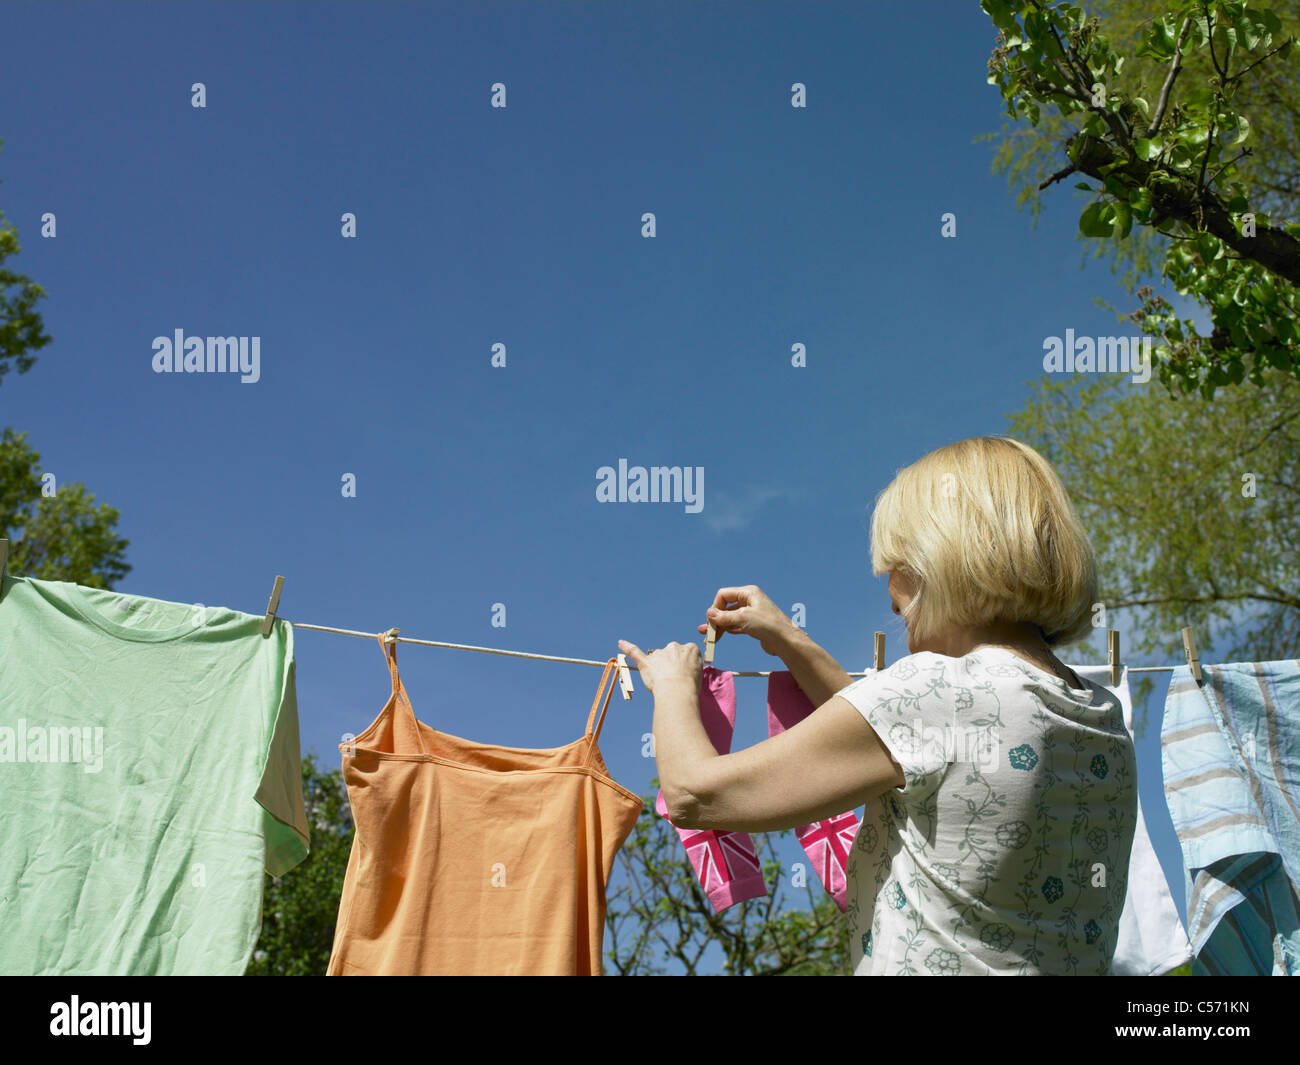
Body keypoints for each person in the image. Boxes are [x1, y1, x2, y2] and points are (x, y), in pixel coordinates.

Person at [620, 435, 1137, 975]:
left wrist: (675, 686)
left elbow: (692, 794)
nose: (889, 591)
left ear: (945, 556)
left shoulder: (932, 691)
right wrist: (787, 639)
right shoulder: (1099, 713)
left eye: (897, 564)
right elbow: (905, 739)